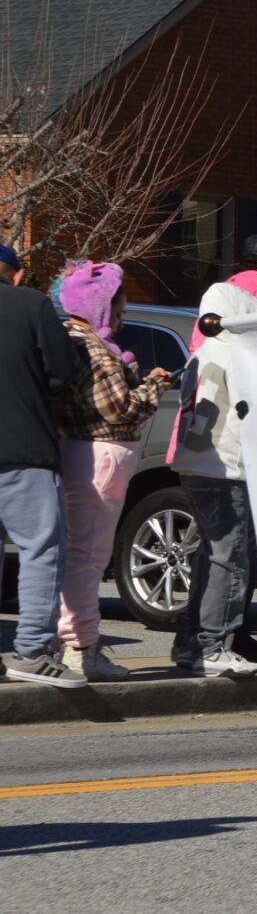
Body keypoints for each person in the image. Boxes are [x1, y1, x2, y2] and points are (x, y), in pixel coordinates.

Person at [51, 261, 175, 682]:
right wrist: (154, 386)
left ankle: (65, 642)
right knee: (88, 557)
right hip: (101, 453)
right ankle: (80, 649)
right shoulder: (90, 345)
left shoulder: (72, 338)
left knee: (76, 555)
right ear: (101, 304)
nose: (122, 313)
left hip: (81, 452)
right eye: (118, 305)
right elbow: (117, 408)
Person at [169, 278, 257, 677]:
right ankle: (215, 645)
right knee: (231, 558)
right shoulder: (238, 355)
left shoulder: (200, 352)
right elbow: (253, 413)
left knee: (210, 555)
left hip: (193, 464)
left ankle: (190, 641)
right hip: (226, 466)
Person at [0, 261, 88, 687]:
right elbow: (63, 369)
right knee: (41, 548)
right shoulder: (31, 303)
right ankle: (31, 651)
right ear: (14, 274)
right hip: (22, 447)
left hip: (20, 447)